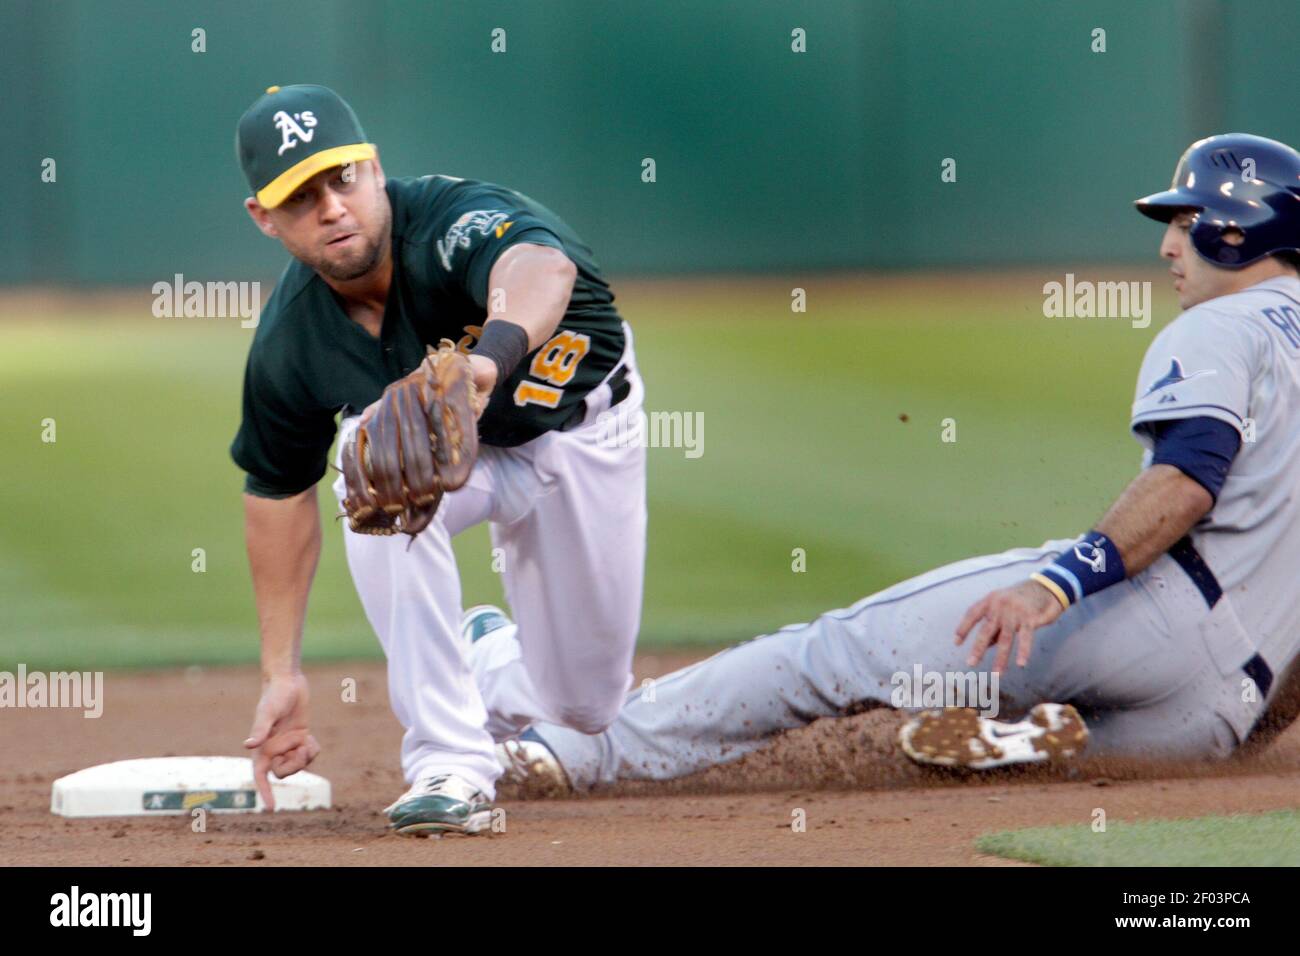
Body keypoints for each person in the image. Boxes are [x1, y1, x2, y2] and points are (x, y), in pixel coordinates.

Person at [474, 133, 1300, 792]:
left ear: (1241, 228)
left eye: (1187, 223)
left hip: (1154, 620)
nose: (1167, 246)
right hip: (1220, 708)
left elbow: (1186, 479)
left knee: (832, 656)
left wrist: (1058, 582)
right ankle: (1038, 736)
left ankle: (579, 754)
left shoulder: (1223, 327)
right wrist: (1246, 712)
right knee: (1070, 770)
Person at [229, 85, 646, 834]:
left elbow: (541, 269)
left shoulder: (452, 221)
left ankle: (484, 656)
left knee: (586, 705)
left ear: (374, 166)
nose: (332, 207)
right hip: (469, 460)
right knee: (371, 467)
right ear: (263, 217)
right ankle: (448, 761)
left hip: (585, 433)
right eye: (300, 196)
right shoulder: (291, 341)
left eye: (342, 177)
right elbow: (276, 489)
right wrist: (280, 671)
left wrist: (487, 362)